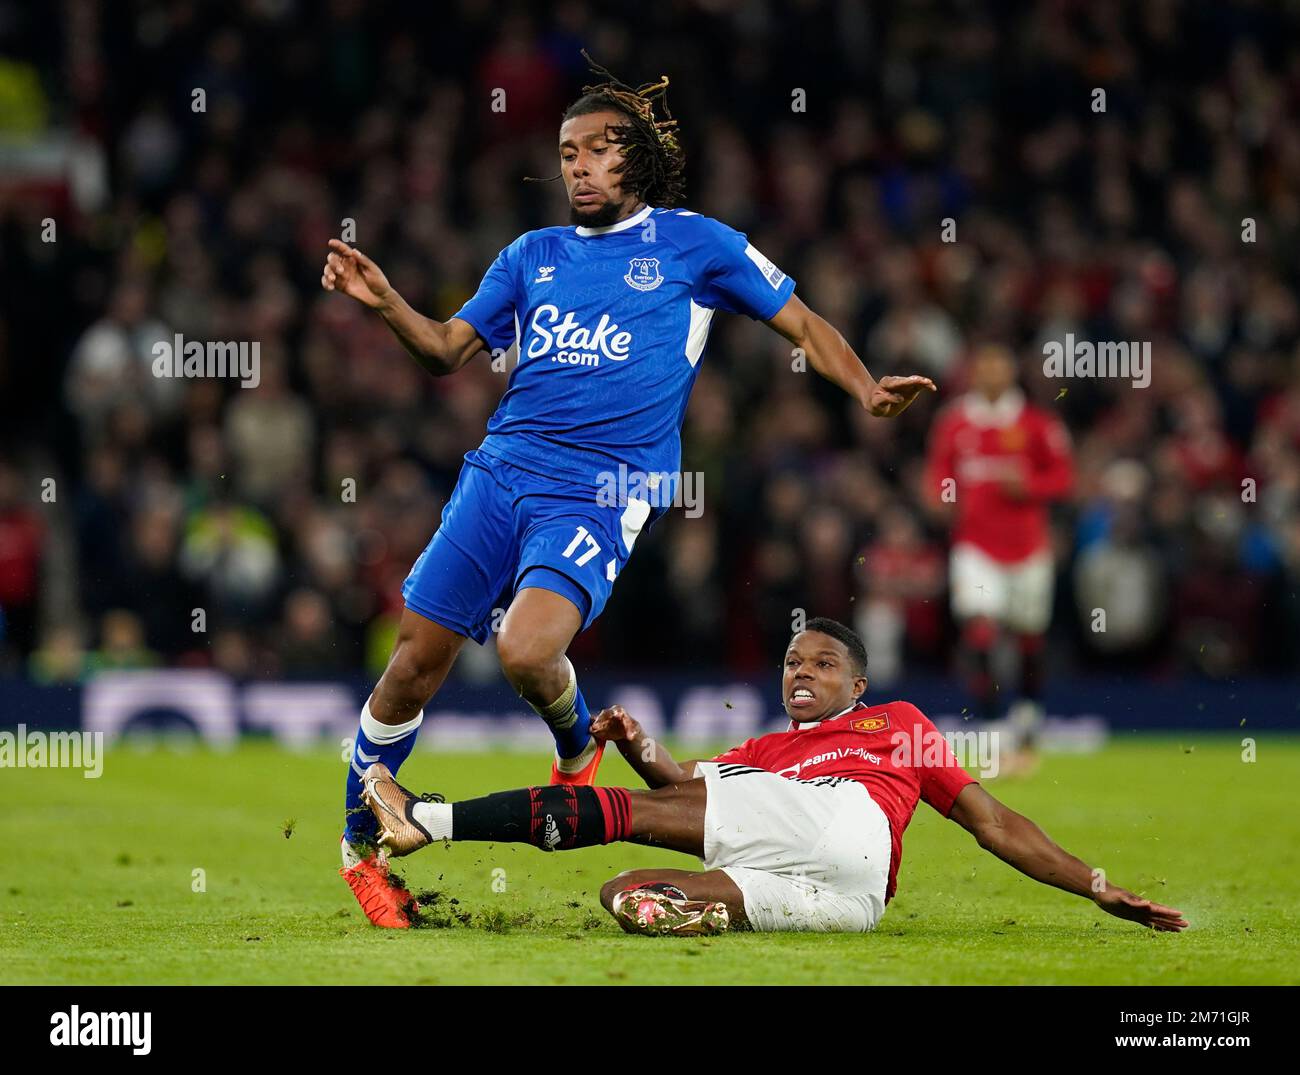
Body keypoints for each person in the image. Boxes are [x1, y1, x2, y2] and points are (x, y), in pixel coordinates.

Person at [323, 57, 937, 925]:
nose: (577, 165)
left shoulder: (696, 244)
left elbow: (798, 319)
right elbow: (444, 348)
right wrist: (386, 300)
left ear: (635, 162)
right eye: (567, 151)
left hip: (600, 488)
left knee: (528, 651)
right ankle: (360, 850)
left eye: (597, 151)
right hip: (501, 469)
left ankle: (575, 741)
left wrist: (867, 387)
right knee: (411, 664)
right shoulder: (531, 255)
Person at [359, 618, 1187, 935]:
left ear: (857, 685)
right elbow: (682, 781)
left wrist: (1094, 884)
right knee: (623, 888)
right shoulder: (763, 752)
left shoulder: (895, 725)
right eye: (792, 660)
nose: (802, 673)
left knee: (628, 810)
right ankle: (686, 912)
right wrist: (642, 742)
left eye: (823, 664)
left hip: (849, 827)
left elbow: (993, 821)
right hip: (848, 902)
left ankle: (425, 821)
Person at [924, 343, 1074, 766]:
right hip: (976, 546)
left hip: (1028, 548)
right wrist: (939, 498)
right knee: (981, 627)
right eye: (984, 364)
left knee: (1028, 635)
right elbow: (938, 473)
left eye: (998, 364)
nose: (990, 373)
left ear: (1011, 372)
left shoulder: (1037, 423)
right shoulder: (954, 423)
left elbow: (1064, 478)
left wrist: (1028, 486)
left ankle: (1027, 716)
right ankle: (991, 726)